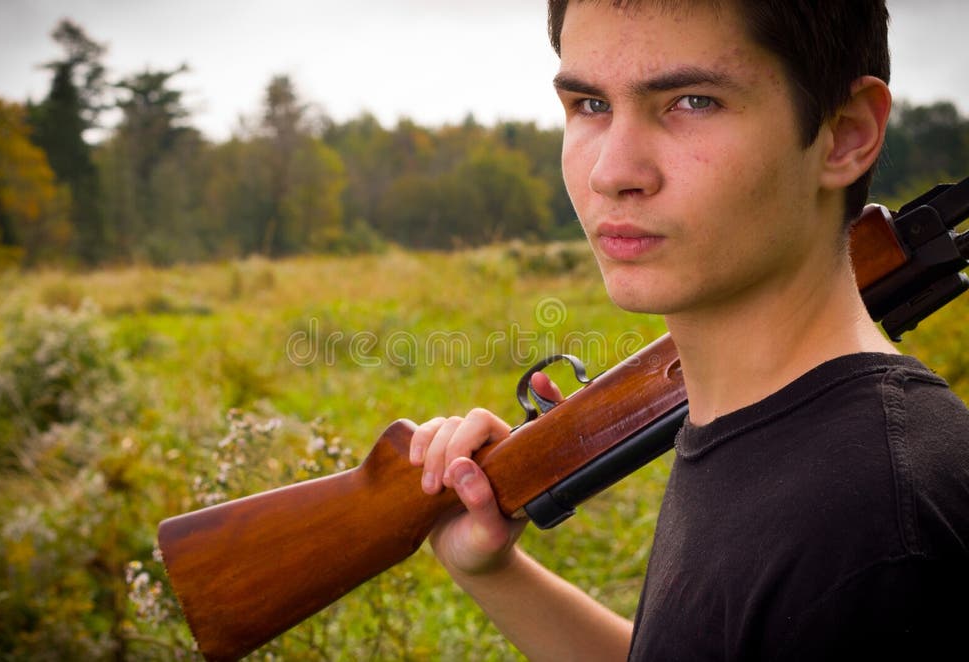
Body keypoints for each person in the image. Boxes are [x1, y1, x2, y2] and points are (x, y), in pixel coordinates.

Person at [409, 1, 969, 660]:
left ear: (845, 134)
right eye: (591, 105)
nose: (611, 173)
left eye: (692, 102)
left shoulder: (873, 528)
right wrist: (493, 574)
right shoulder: (767, 426)